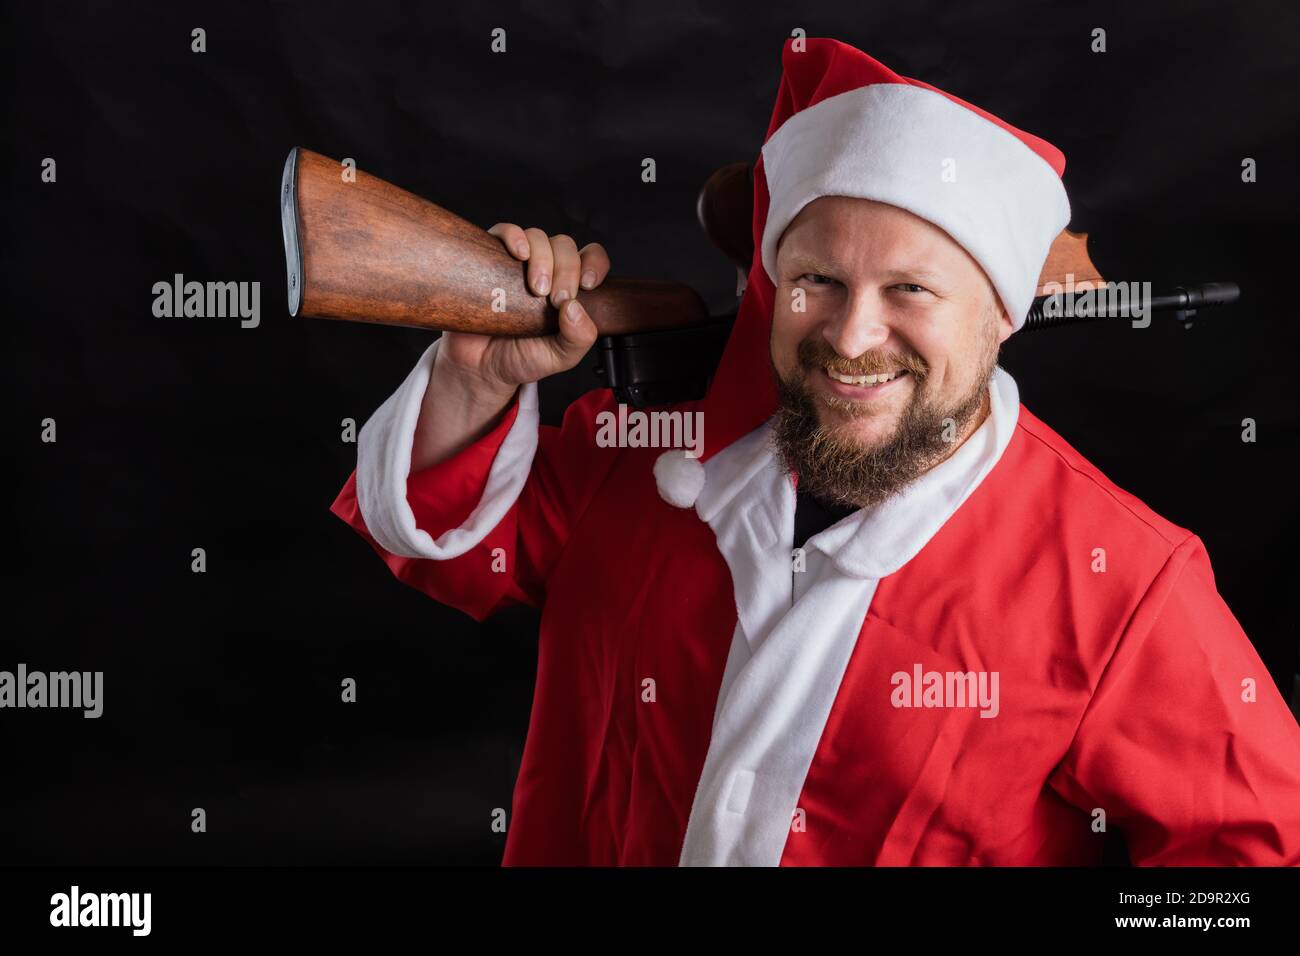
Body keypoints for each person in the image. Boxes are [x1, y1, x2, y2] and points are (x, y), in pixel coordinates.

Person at [329, 37, 1300, 865]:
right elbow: (445, 546)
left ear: (1002, 312)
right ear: (766, 282)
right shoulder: (635, 449)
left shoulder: (1125, 582)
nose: (848, 335)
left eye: (911, 290)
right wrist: (476, 378)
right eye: (817, 279)